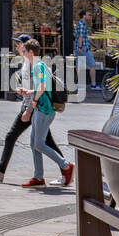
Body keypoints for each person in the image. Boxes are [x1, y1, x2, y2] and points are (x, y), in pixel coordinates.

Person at [0, 34, 62, 183]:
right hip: (36, 107)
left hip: (36, 108)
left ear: (29, 48)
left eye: (20, 45)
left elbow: (41, 87)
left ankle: (64, 167)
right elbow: (36, 88)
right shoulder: (29, 63)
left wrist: (29, 108)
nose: (18, 47)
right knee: (41, 143)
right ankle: (46, 175)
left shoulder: (34, 64)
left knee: (24, 139)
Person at [18, 37, 74, 188]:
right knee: (33, 143)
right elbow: (42, 87)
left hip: (44, 110)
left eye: (24, 51)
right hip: (40, 109)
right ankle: (38, 177)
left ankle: (66, 166)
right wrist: (29, 92)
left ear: (30, 52)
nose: (22, 54)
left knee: (39, 144)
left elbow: (42, 86)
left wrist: (33, 101)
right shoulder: (40, 66)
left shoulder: (38, 67)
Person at [74, 10, 99, 88]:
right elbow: (80, 37)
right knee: (92, 65)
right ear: (84, 16)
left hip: (81, 48)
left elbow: (86, 38)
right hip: (84, 48)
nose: (89, 16)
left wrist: (94, 45)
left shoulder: (83, 24)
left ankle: (80, 84)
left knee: (80, 66)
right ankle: (93, 84)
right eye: (88, 15)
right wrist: (80, 47)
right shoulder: (81, 25)